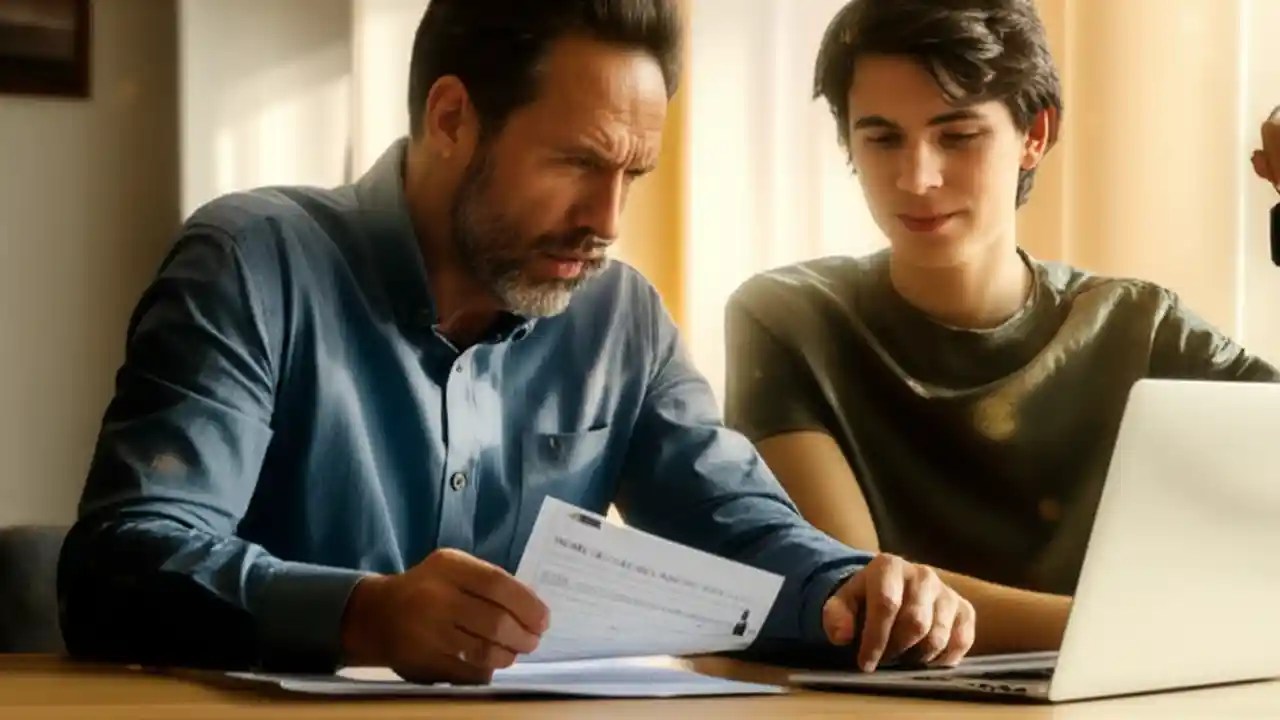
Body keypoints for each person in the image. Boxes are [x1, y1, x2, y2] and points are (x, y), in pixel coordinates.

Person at [54, 0, 1053, 684]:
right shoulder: (252, 261)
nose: (607, 219)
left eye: (634, 175)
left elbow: (743, 535)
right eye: (577, 162)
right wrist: (361, 613)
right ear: (450, 118)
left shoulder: (618, 318)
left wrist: (856, 591)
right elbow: (125, 564)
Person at [724, 0, 1280, 653]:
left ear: (1035, 134)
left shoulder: (1138, 327)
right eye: (882, 137)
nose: (916, 177)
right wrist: (1149, 635)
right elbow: (863, 596)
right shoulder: (789, 317)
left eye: (957, 135)